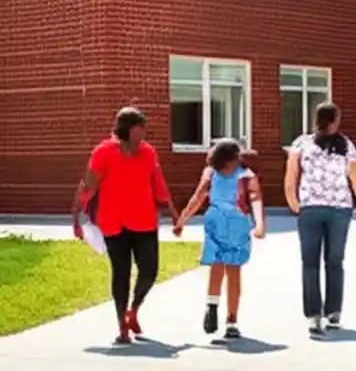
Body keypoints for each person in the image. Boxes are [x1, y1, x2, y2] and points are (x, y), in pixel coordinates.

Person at [71, 106, 182, 345]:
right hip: (113, 222)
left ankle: (134, 310)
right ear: (132, 129)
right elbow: (88, 185)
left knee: (149, 271)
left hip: (144, 221)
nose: (145, 132)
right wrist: (76, 217)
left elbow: (158, 183)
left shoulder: (148, 152)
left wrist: (173, 212)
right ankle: (122, 324)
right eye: (143, 128)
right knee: (120, 273)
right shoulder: (103, 152)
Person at [284, 102, 356, 337]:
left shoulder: (306, 143)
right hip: (334, 208)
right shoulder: (342, 144)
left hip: (317, 207)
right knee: (331, 261)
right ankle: (328, 312)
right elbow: (355, 177)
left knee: (316, 262)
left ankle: (321, 314)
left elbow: (291, 176)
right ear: (334, 120)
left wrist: (293, 201)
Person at [177, 138, 266, 339]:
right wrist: (182, 219)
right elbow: (199, 197)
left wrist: (259, 223)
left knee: (225, 268)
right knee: (225, 269)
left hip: (226, 223)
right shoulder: (231, 174)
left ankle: (222, 312)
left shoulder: (231, 174)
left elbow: (255, 198)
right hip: (228, 223)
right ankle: (222, 313)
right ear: (229, 159)